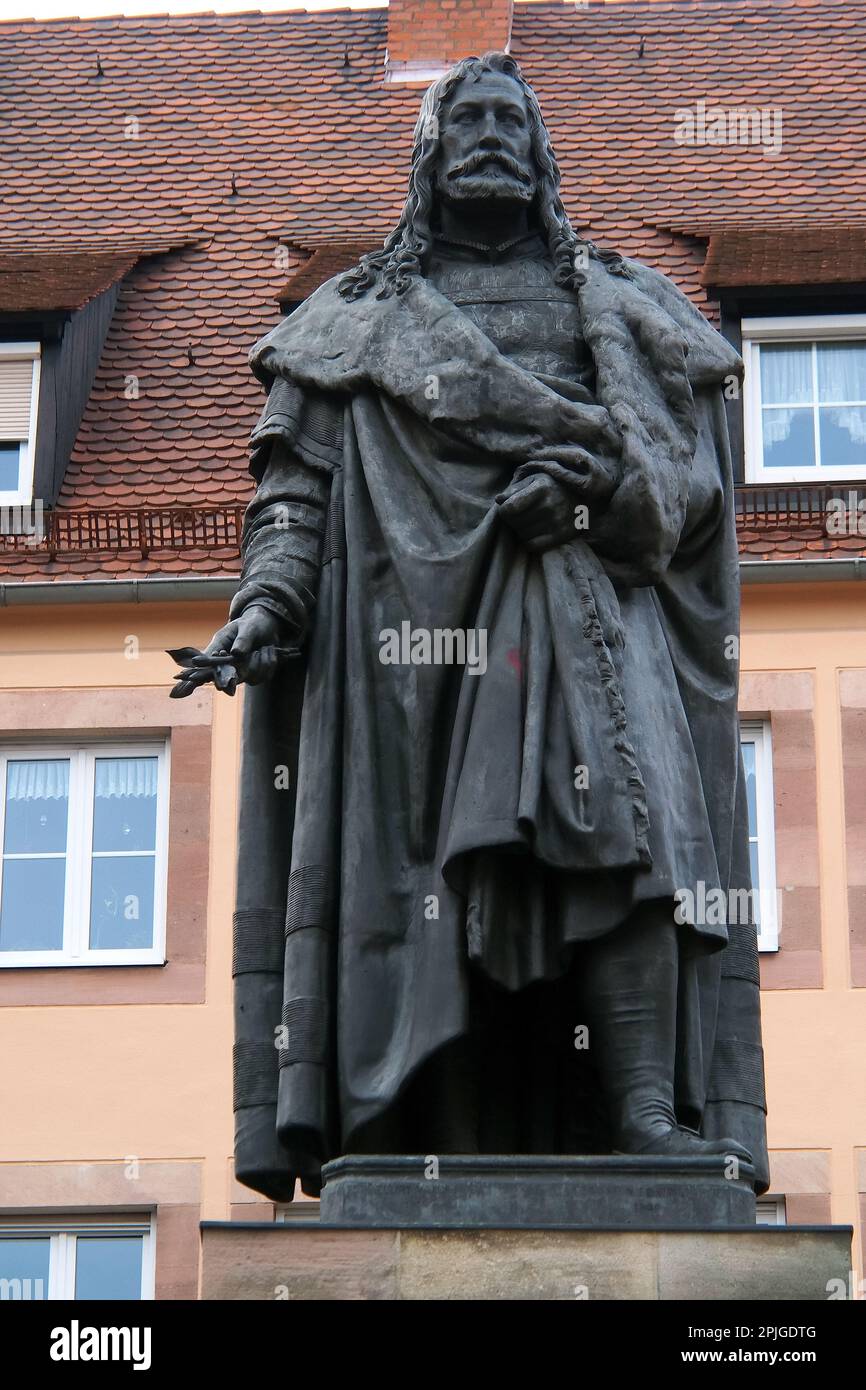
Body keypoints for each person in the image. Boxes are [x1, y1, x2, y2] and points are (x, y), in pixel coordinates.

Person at [171, 52, 768, 1202]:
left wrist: (585, 495)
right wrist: (266, 603)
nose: (489, 137)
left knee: (630, 839)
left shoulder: (624, 305)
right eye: (467, 121)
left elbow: (686, 490)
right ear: (428, 154)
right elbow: (293, 492)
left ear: (541, 160)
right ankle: (419, 1144)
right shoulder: (347, 320)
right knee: (418, 883)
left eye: (510, 122)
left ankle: (643, 1109)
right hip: (406, 653)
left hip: (593, 612)